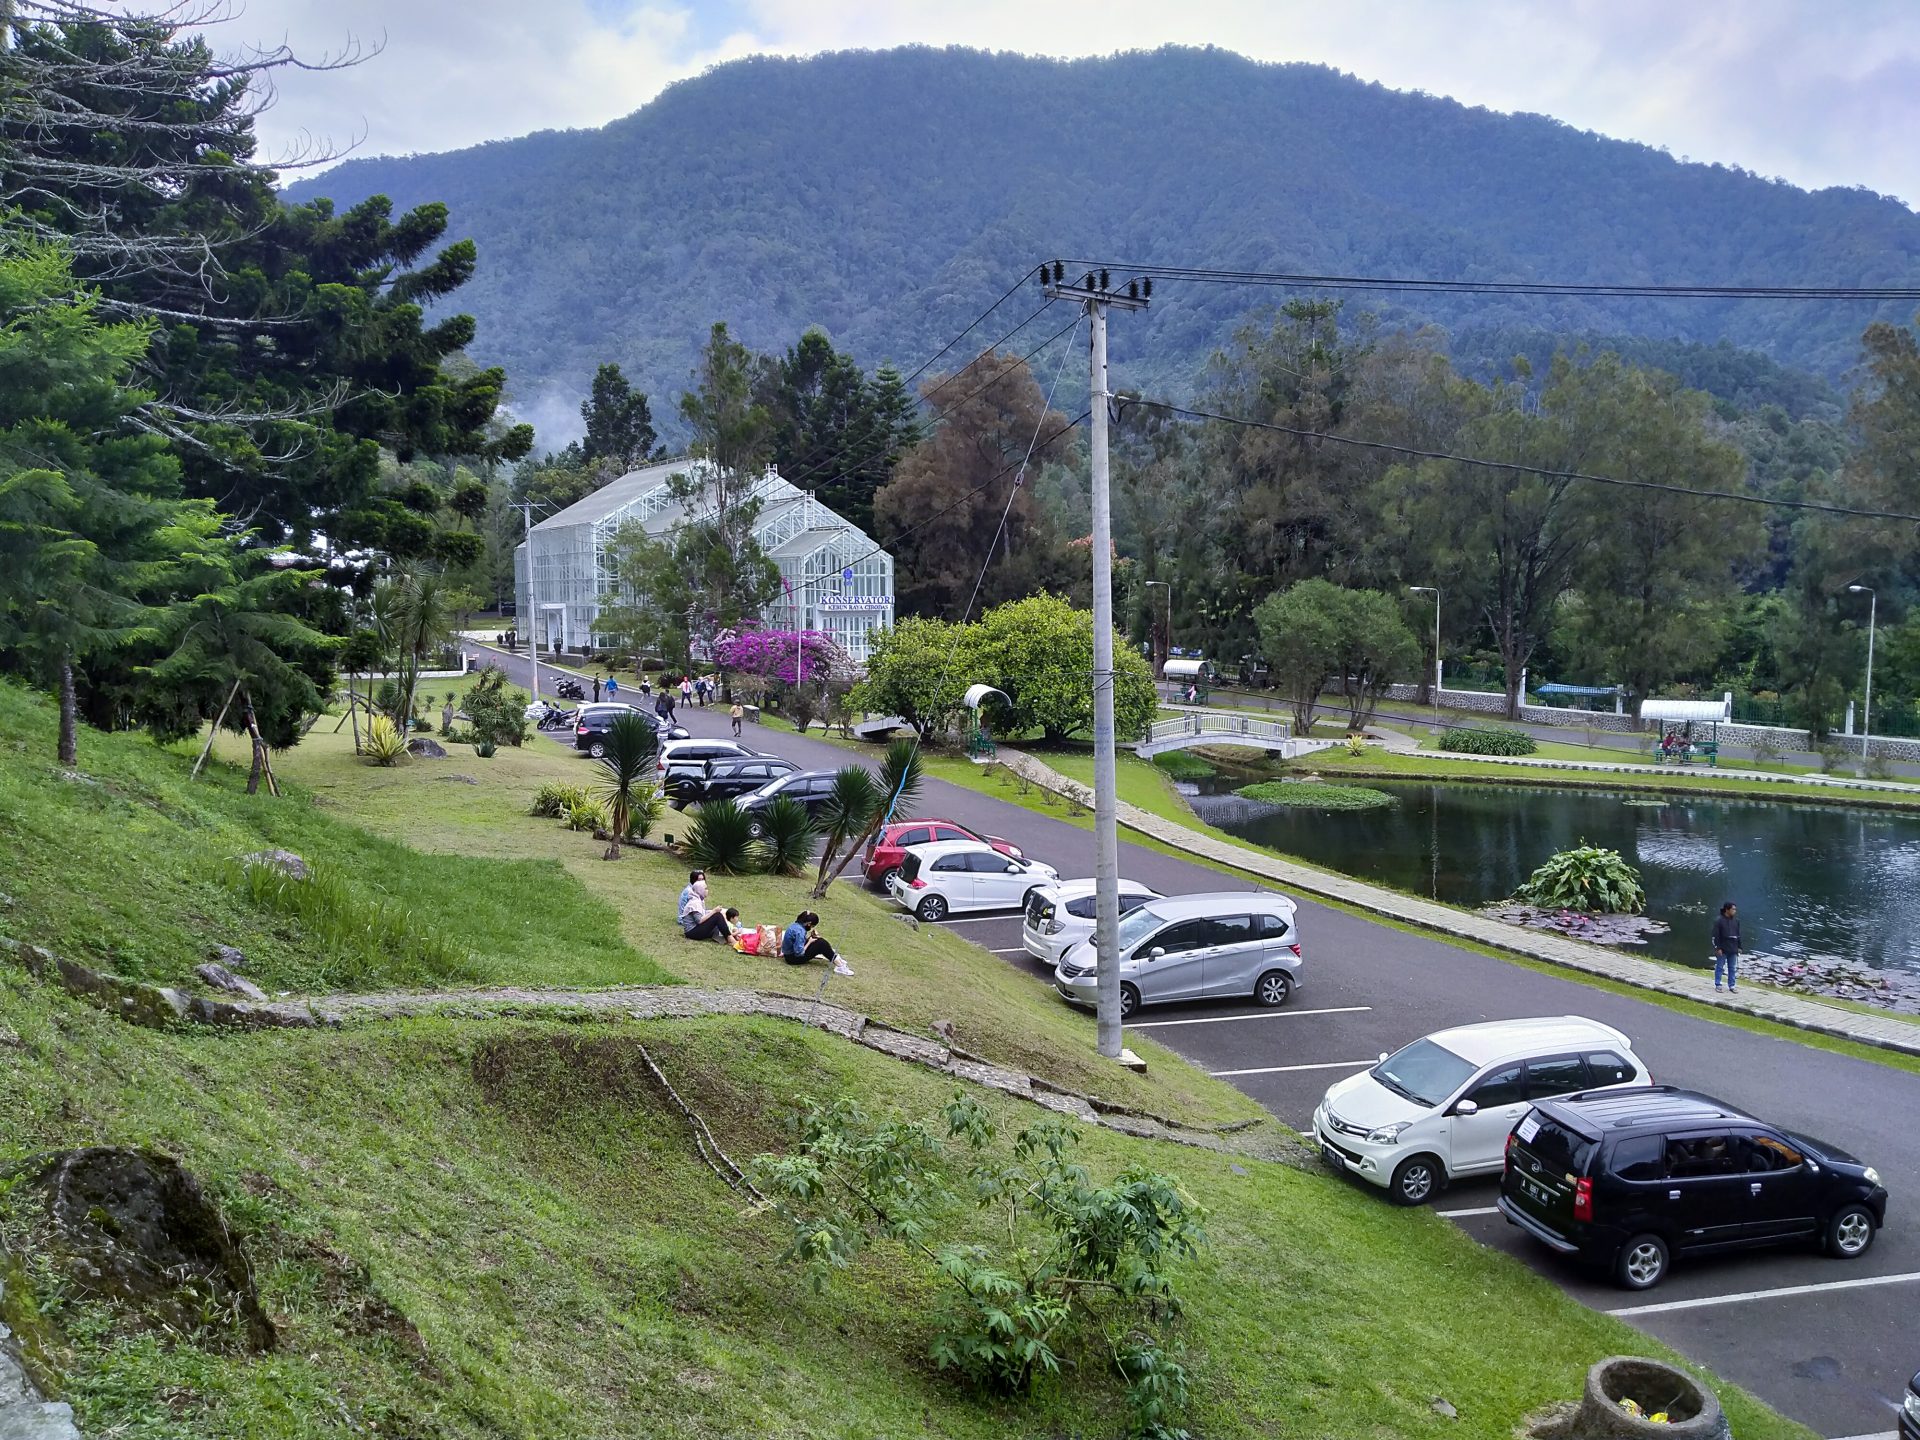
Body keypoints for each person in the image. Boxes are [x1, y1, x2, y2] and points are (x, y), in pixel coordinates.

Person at [680, 876, 731, 943]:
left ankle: (730, 936)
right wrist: (714, 911)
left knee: (719, 917)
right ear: (700, 890)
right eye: (705, 888)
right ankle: (730, 939)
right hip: (692, 933)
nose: (707, 890)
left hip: (696, 930)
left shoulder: (699, 900)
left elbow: (703, 913)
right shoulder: (694, 903)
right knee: (717, 916)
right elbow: (699, 920)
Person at [1711, 901, 1741, 993]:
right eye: (1733, 909)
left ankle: (1732, 985)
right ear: (1727, 910)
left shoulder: (1736, 921)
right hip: (1723, 948)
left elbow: (1738, 935)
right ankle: (1718, 984)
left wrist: (1740, 947)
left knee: (1732, 968)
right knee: (1720, 966)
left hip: (1733, 948)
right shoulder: (1719, 921)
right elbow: (1715, 935)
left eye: (1735, 909)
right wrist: (1718, 947)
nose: (1734, 911)